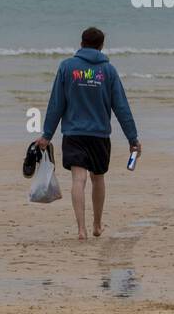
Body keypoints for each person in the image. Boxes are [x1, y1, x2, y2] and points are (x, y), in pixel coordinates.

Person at [35, 27, 141, 241]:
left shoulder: (66, 67)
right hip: (99, 135)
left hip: (74, 133)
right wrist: (133, 138)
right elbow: (121, 107)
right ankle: (97, 224)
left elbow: (56, 104)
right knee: (98, 178)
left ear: (81, 43)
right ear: (101, 46)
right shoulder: (108, 71)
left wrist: (47, 135)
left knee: (78, 179)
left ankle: (81, 229)